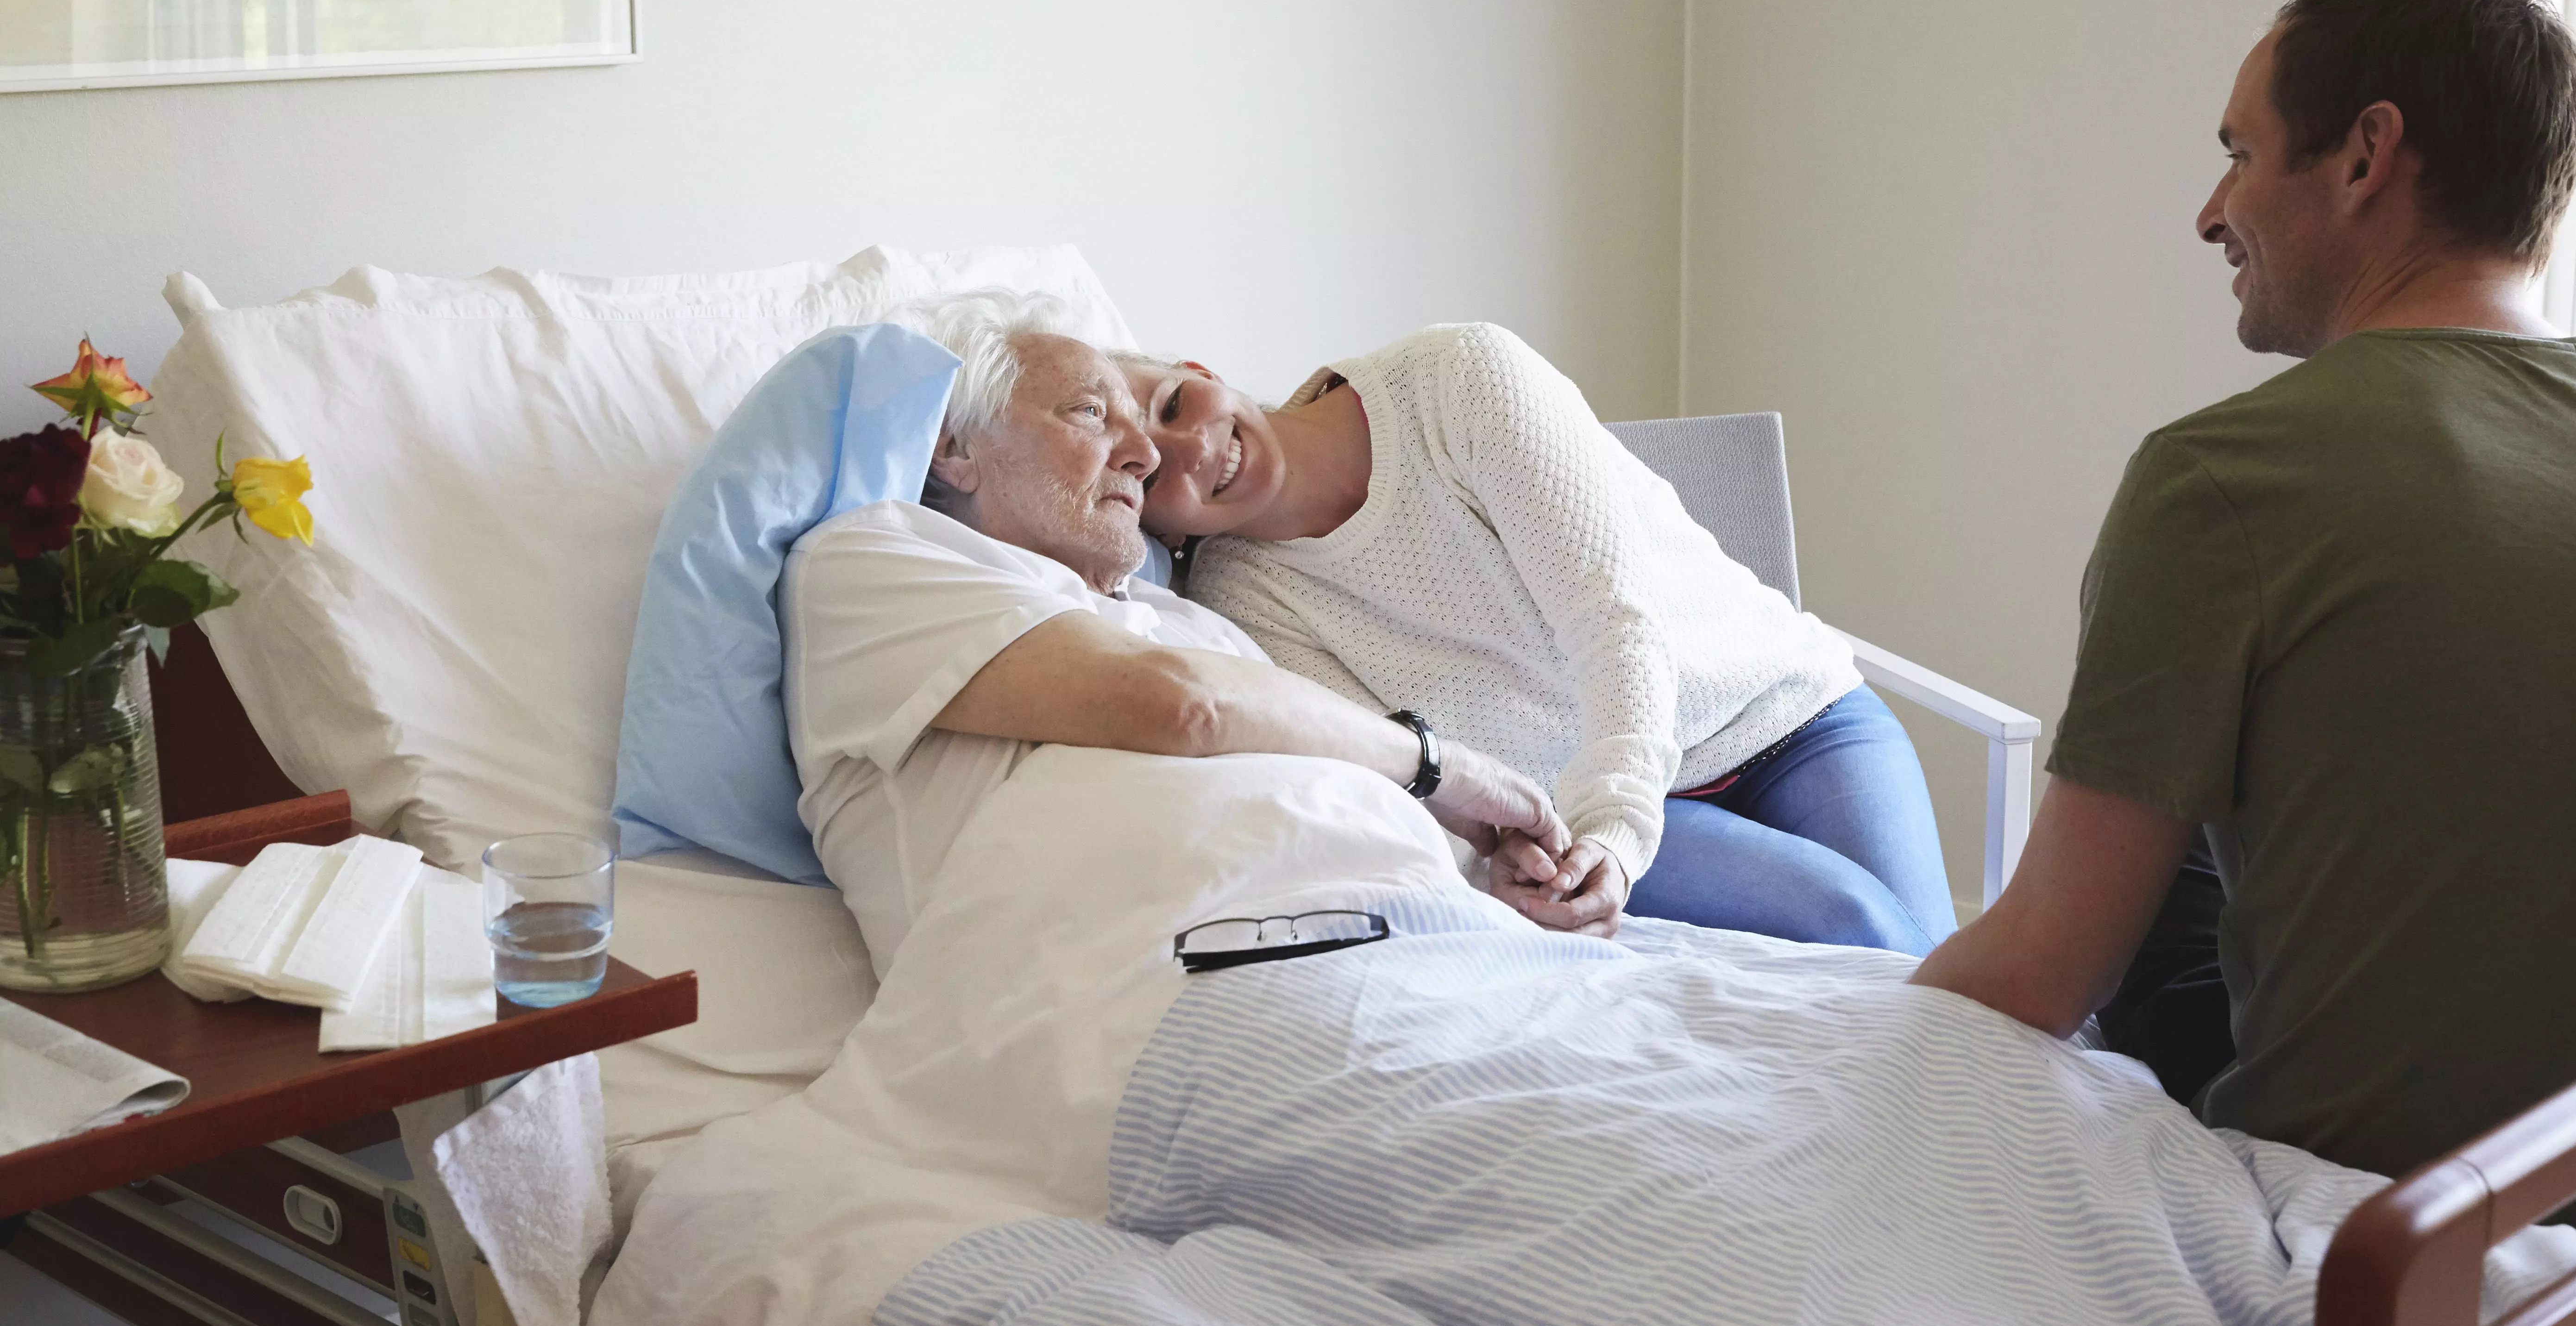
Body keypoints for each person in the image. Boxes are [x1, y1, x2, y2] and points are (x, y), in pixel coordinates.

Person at [1911, 0, 2576, 1220]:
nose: (2208, 212)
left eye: (2238, 154)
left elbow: (2037, 975)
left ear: (2364, 157)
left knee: (2150, 849)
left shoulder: (2225, 479)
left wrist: (1826, 1064)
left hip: (2370, 1227)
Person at [1115, 326, 1958, 952]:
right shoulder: (1244, 602)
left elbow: (1618, 624)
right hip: (1594, 803)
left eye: (1174, 406)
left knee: (1976, 989)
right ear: (1158, 527)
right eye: (1155, 474)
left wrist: (1617, 835)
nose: (1195, 448)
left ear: (1200, 372)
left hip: (1795, 716)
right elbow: (1412, 769)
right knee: (1863, 929)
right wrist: (1514, 847)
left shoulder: (1460, 379)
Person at [780, 292, 1573, 957]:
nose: (1145, 457)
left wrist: (1506, 880)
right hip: (1181, 985)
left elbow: (1336, 785)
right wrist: (1443, 766)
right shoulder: (878, 559)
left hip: (1433, 941)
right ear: (956, 446)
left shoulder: (1195, 623)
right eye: (1091, 413)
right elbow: (1182, 707)